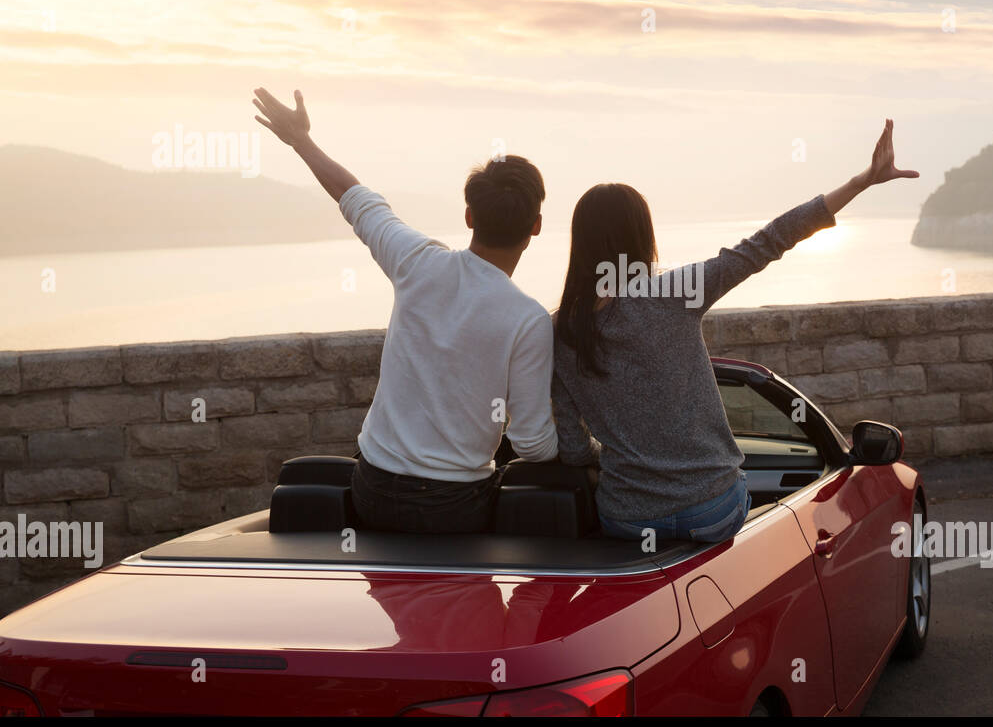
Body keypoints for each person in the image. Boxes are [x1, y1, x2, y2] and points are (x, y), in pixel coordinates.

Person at [551, 119, 918, 544]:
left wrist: (615, 459)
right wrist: (860, 182)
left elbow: (572, 447)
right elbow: (767, 242)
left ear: (580, 245)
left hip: (628, 521)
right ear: (640, 236)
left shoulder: (561, 330)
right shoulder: (675, 293)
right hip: (710, 511)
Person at [252, 88, 558, 533]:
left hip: (372, 491)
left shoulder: (416, 262)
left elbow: (355, 199)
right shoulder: (528, 319)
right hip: (455, 508)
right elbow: (532, 444)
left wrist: (301, 140)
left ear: (469, 216)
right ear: (537, 225)